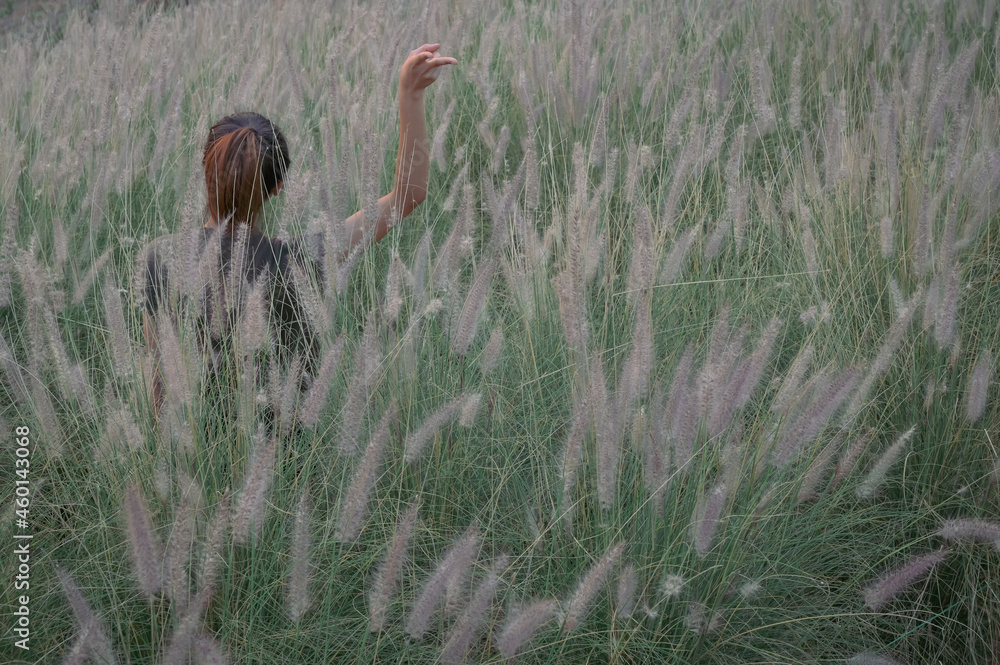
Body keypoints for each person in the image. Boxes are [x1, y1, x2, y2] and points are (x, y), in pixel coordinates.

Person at [141, 43, 457, 416]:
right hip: (291, 462)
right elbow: (408, 195)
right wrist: (410, 93)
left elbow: (159, 388)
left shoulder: (158, 258)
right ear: (278, 189)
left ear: (205, 170)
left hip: (189, 461)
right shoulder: (302, 259)